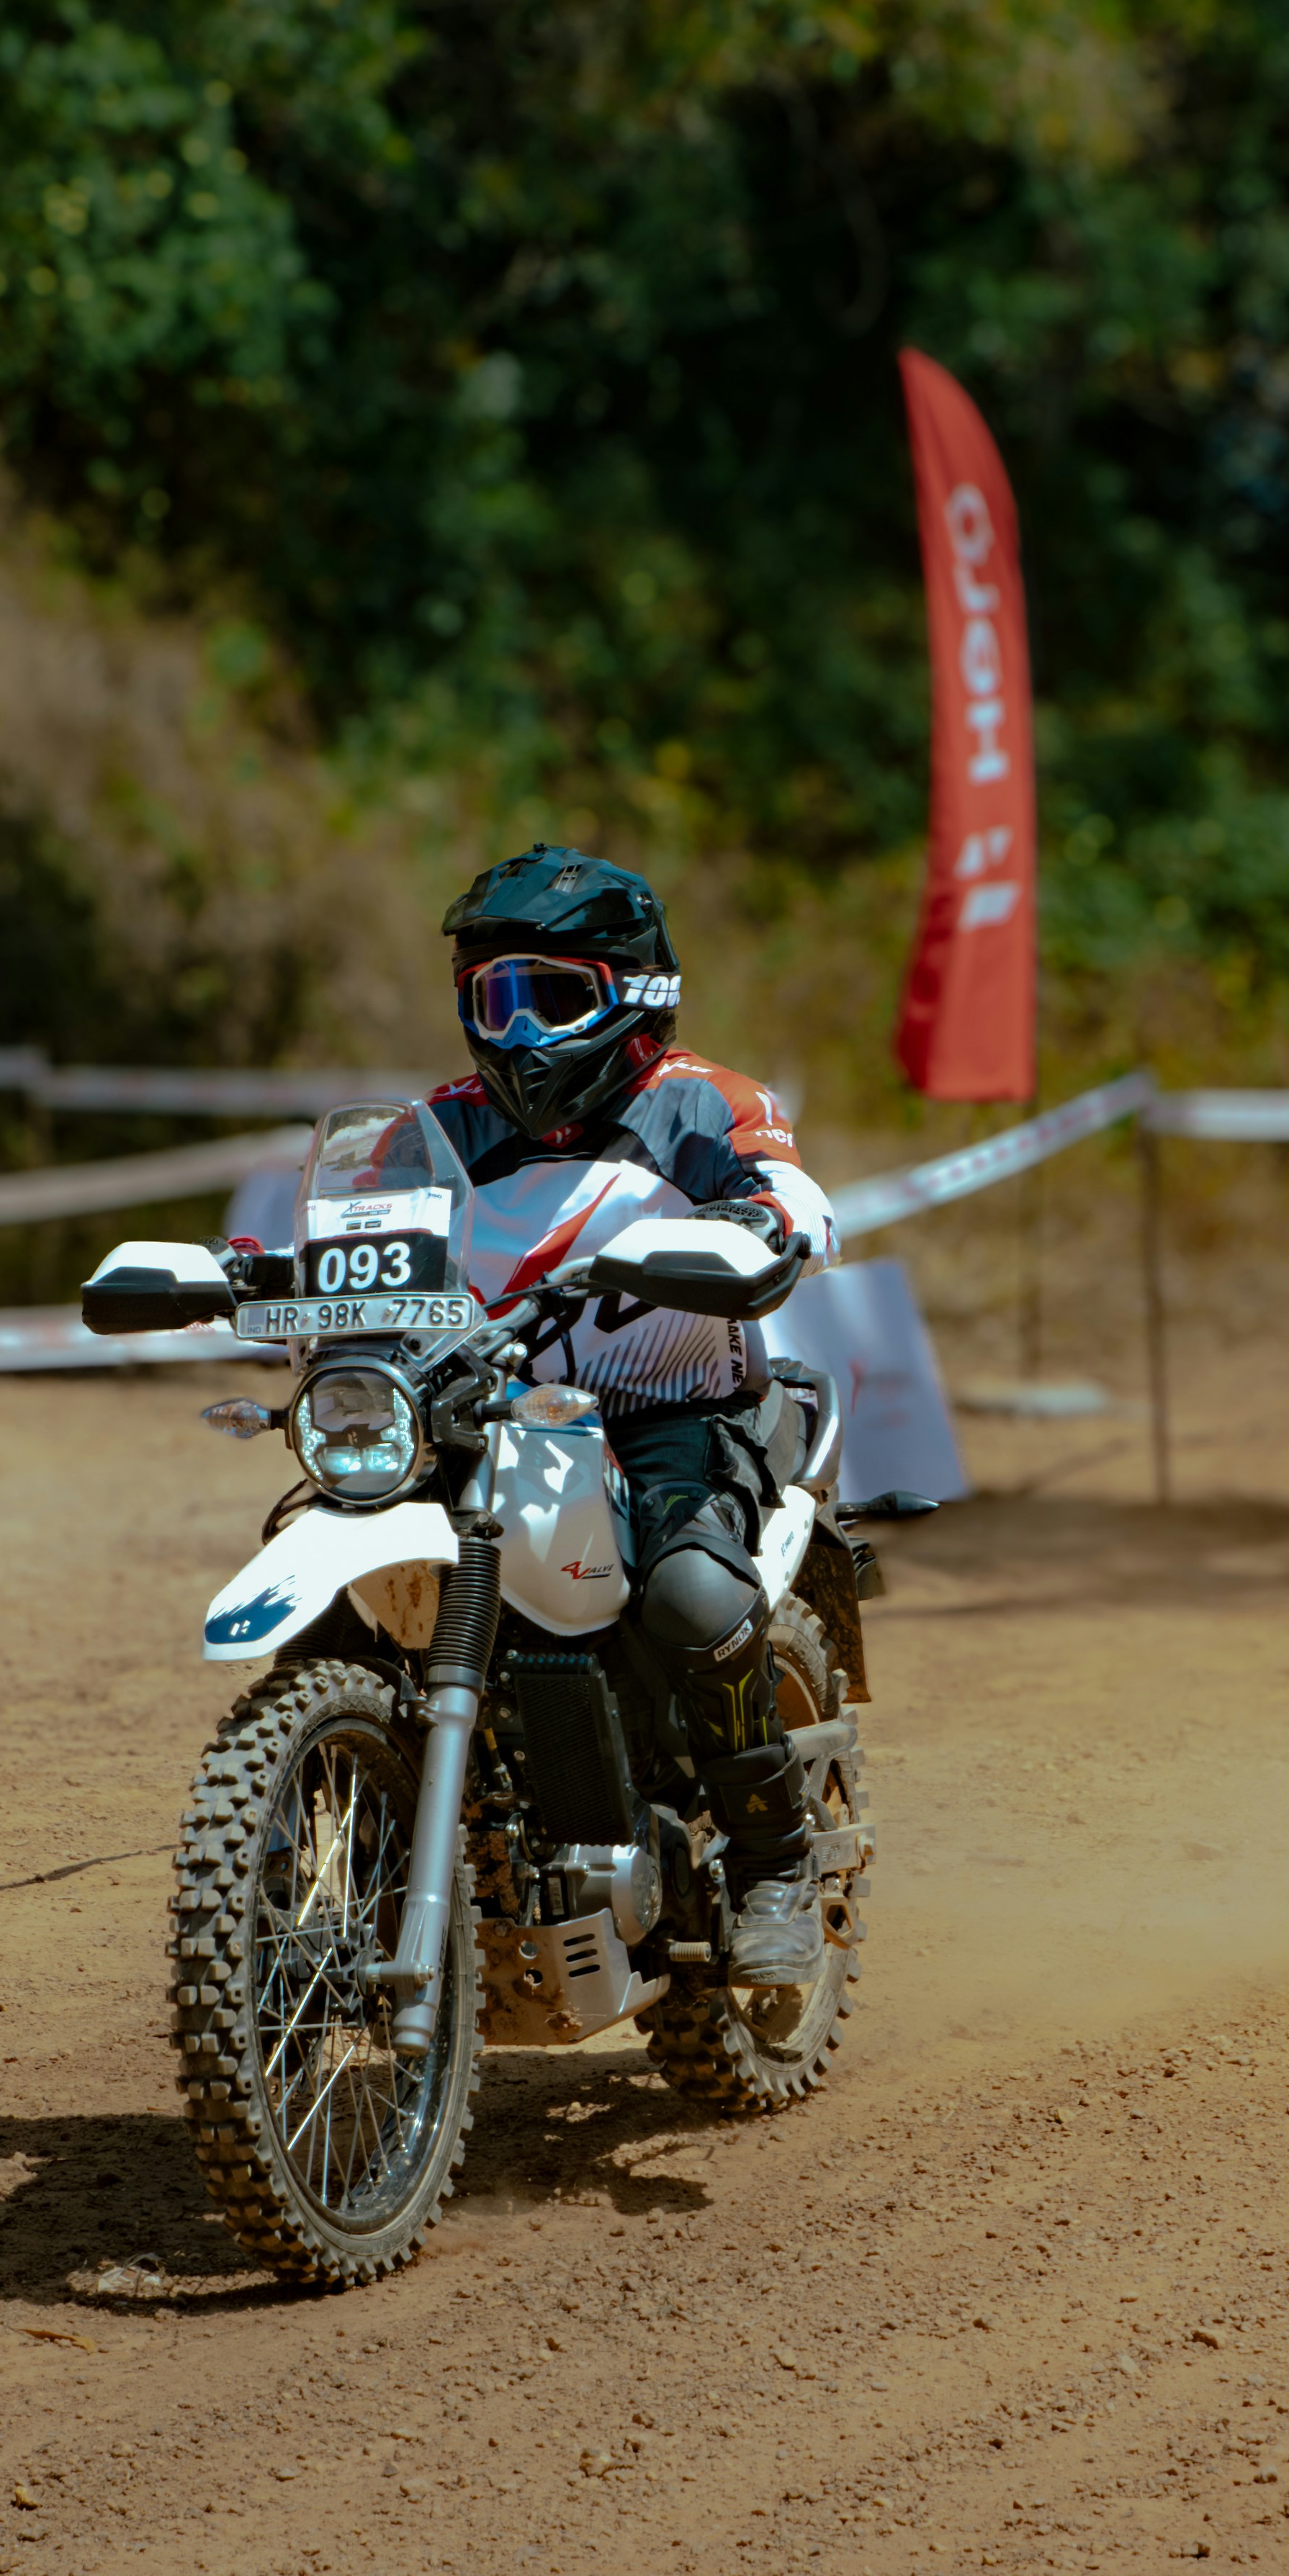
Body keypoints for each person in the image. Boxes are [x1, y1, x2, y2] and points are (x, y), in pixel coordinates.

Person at [428, 845, 837, 1994]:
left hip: (674, 1412)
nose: (516, 1035)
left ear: (638, 998)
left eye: (551, 999)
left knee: (689, 1594)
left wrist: (768, 1231)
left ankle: (773, 1864)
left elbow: (785, 1193)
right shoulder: (437, 1131)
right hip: (485, 1414)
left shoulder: (707, 1104)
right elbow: (346, 1234)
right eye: (491, 1000)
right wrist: (242, 1273)